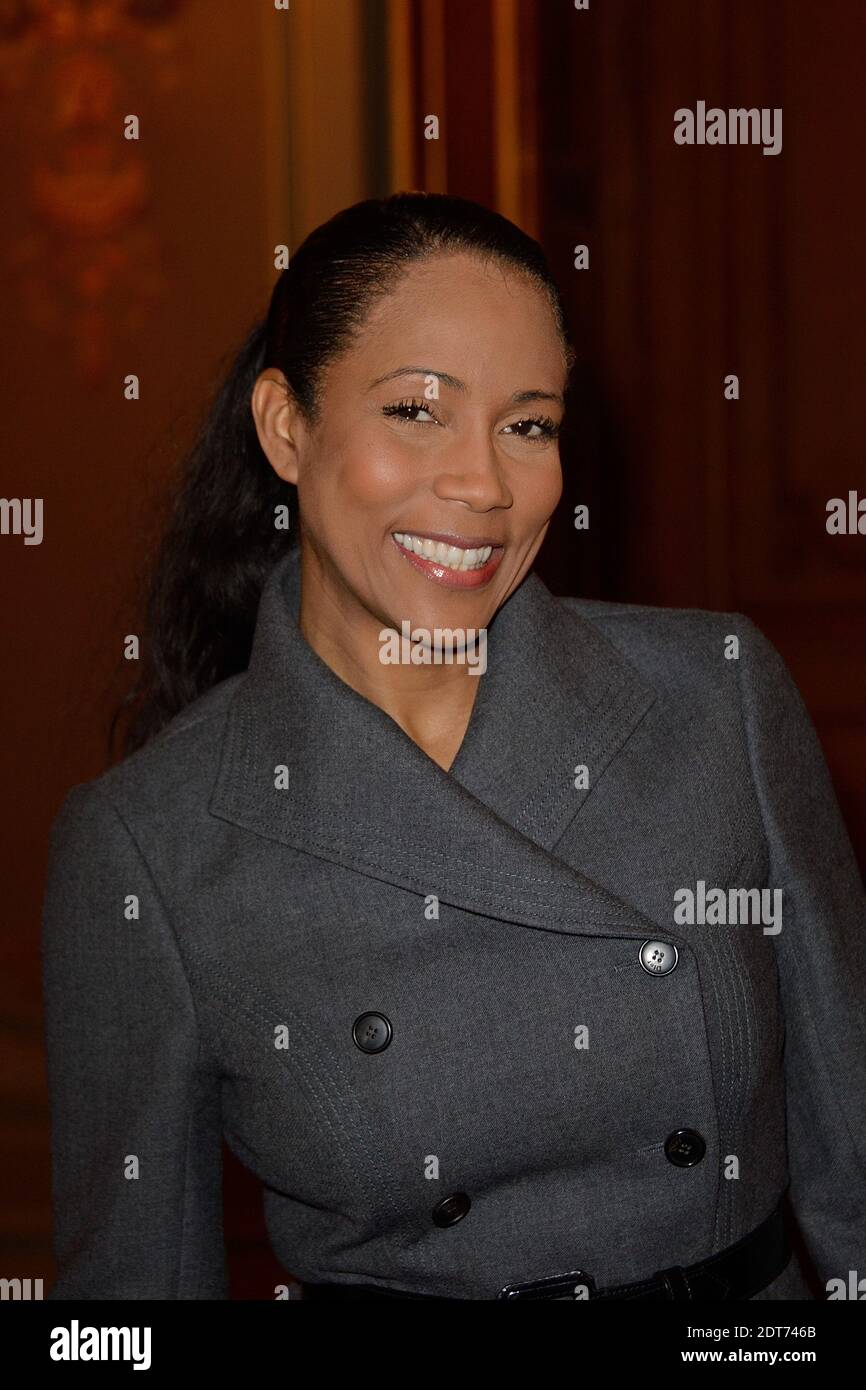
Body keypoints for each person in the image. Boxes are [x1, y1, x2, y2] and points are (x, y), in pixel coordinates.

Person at [41, 191, 866, 1301]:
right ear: (286, 426)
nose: (482, 485)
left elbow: (852, 1152)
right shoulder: (149, 844)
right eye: (417, 410)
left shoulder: (714, 696)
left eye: (526, 424)